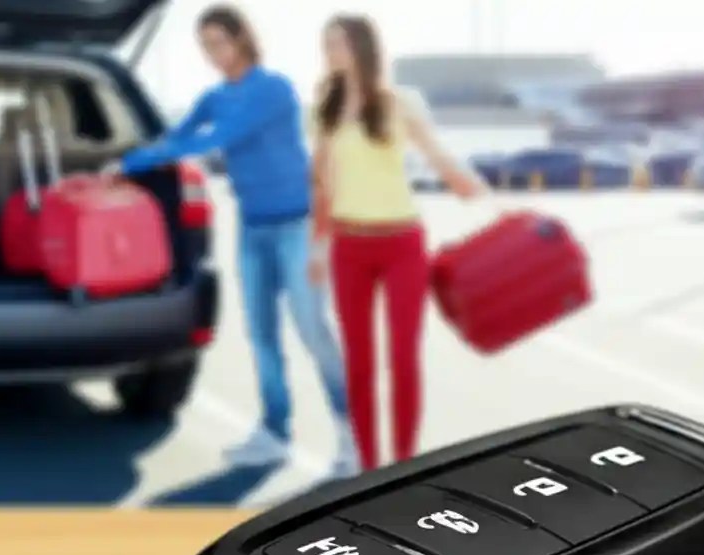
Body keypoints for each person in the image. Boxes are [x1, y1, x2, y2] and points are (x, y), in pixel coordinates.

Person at [107, 4, 357, 477]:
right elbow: (175, 137)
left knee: (312, 333)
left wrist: (133, 164)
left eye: (219, 42)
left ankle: (352, 435)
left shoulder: (274, 90)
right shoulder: (213, 96)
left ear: (242, 38)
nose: (212, 54)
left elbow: (215, 139)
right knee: (262, 337)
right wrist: (128, 159)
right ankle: (274, 434)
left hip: (295, 225)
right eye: (204, 46)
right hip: (253, 227)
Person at [309, 14, 486, 471]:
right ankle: (370, 466)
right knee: (360, 365)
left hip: (402, 243)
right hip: (350, 247)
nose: (331, 54)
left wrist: (464, 181)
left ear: (363, 48)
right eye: (326, 45)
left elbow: (433, 150)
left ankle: (404, 463)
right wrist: (317, 246)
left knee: (403, 359)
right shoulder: (324, 110)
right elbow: (321, 184)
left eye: (339, 44)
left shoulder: (400, 102)